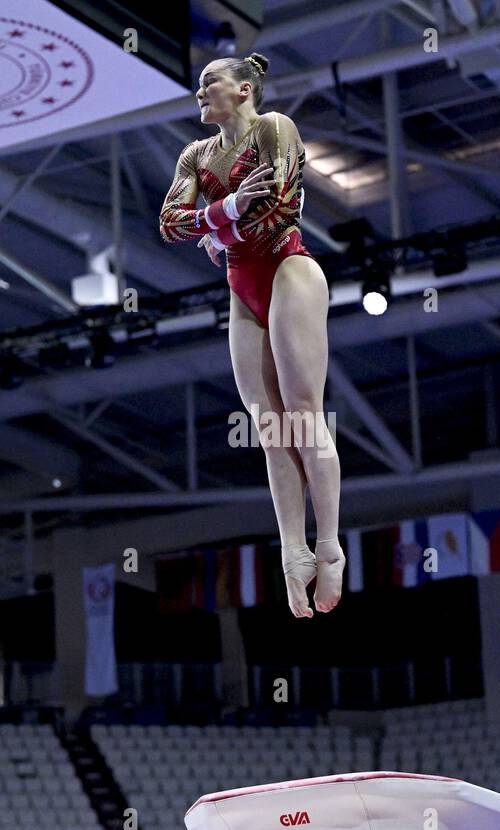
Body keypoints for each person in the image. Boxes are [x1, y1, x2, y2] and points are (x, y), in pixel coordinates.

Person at [159, 51, 345, 619]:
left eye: (209, 82)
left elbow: (281, 208)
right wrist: (230, 209)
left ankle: (331, 544)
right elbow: (170, 224)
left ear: (243, 90)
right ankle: (293, 552)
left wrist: (218, 221)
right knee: (269, 427)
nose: (199, 91)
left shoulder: (274, 128)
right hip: (243, 289)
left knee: (303, 412)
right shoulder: (195, 156)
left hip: (289, 270)